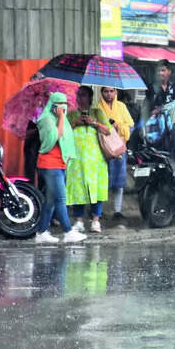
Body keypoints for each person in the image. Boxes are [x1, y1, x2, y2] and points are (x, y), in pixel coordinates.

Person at [34, 92, 87, 244]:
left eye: (65, 103)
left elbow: (68, 138)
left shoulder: (58, 118)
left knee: (50, 201)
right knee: (61, 198)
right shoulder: (46, 119)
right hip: (50, 164)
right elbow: (53, 138)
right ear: (53, 104)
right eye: (60, 103)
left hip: (60, 163)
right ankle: (68, 231)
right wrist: (62, 117)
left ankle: (41, 232)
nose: (63, 106)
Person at [66, 86, 110, 233]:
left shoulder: (98, 113)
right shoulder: (71, 114)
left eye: (83, 95)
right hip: (77, 158)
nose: (80, 98)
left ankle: (96, 220)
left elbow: (108, 130)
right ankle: (79, 220)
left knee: (96, 188)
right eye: (78, 95)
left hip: (96, 159)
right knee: (78, 188)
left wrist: (93, 123)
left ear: (90, 97)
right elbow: (63, 132)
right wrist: (75, 123)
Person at [96, 86, 134, 227]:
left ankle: (117, 210)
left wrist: (118, 126)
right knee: (102, 180)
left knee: (119, 181)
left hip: (119, 147)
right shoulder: (97, 108)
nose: (109, 94)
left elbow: (130, 125)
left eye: (112, 91)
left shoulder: (121, 107)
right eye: (106, 91)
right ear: (101, 93)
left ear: (116, 92)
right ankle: (98, 211)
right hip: (103, 149)